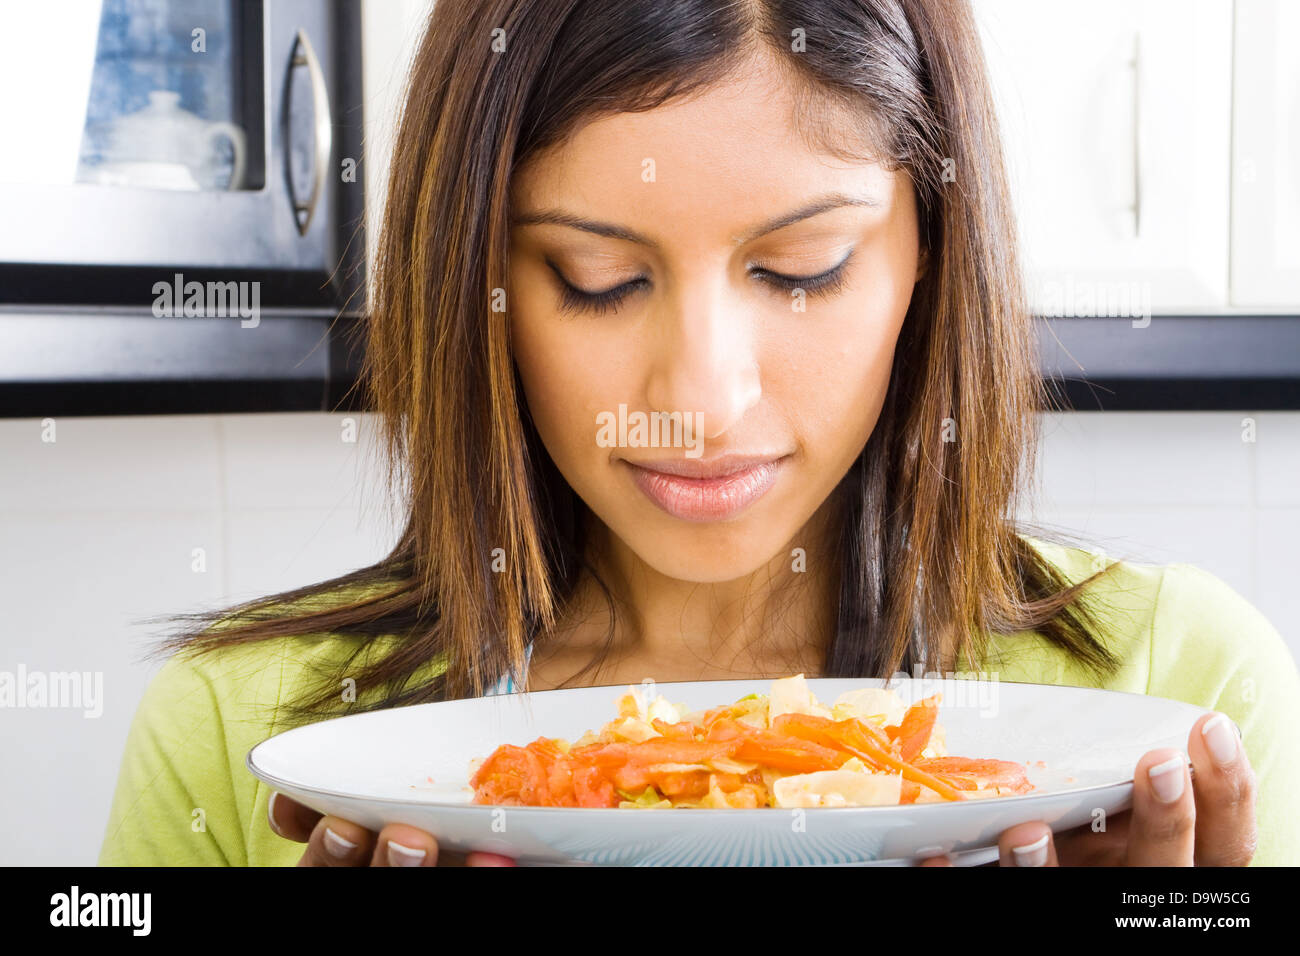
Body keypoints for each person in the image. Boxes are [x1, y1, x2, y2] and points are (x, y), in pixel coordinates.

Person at [99, 0, 1297, 867]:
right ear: (472, 279)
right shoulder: (243, 734)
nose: (704, 402)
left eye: (801, 268)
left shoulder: (1175, 695)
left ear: (931, 255)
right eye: (597, 276)